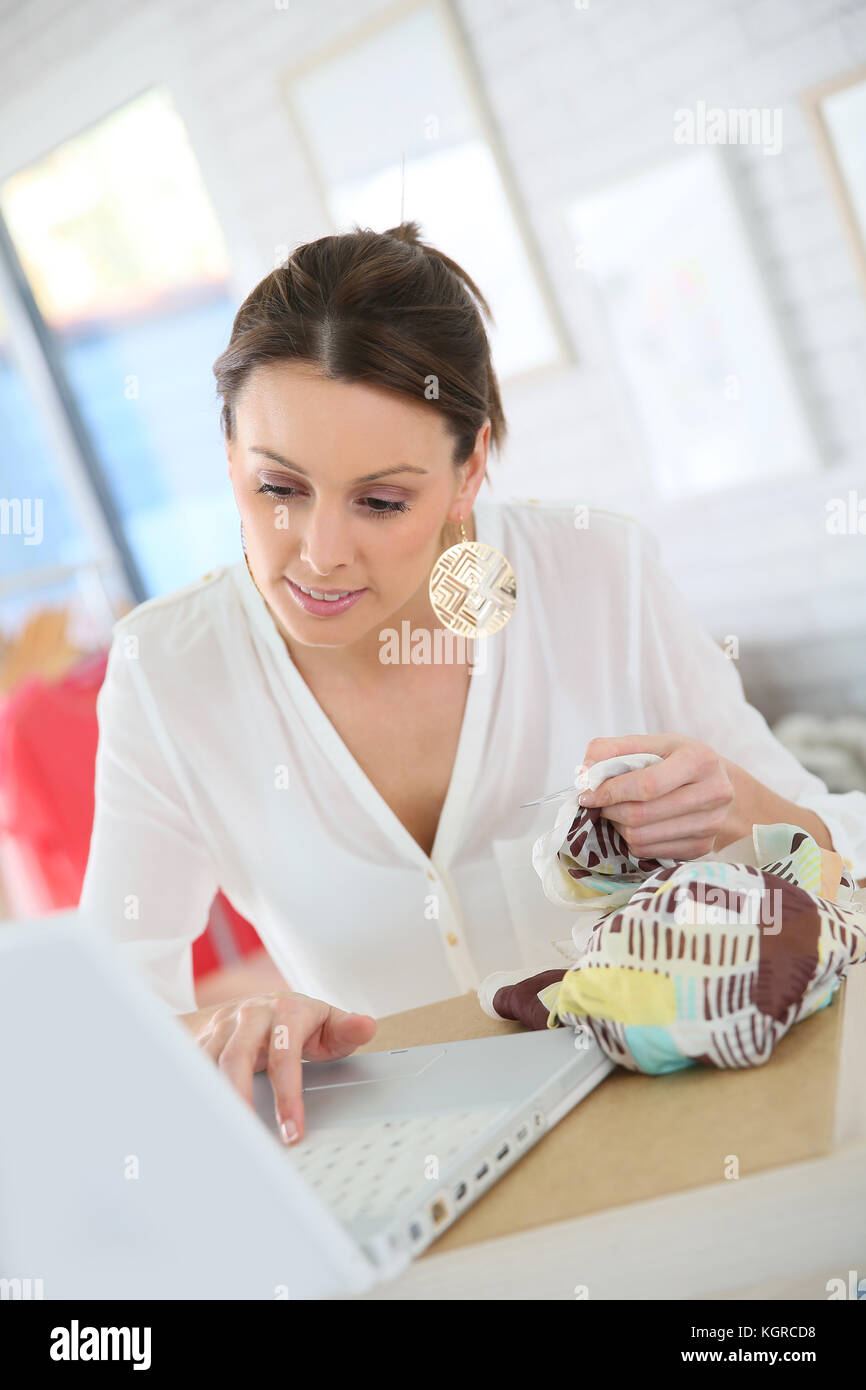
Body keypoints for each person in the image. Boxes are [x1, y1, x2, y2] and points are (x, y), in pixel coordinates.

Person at [78, 221, 866, 1148]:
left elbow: (832, 844)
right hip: (411, 1176)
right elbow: (105, 1011)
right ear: (228, 456)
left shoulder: (595, 571)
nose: (321, 555)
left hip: (692, 1132)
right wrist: (219, 1031)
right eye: (277, 488)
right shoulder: (167, 674)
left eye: (381, 501)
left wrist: (734, 805)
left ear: (471, 467)